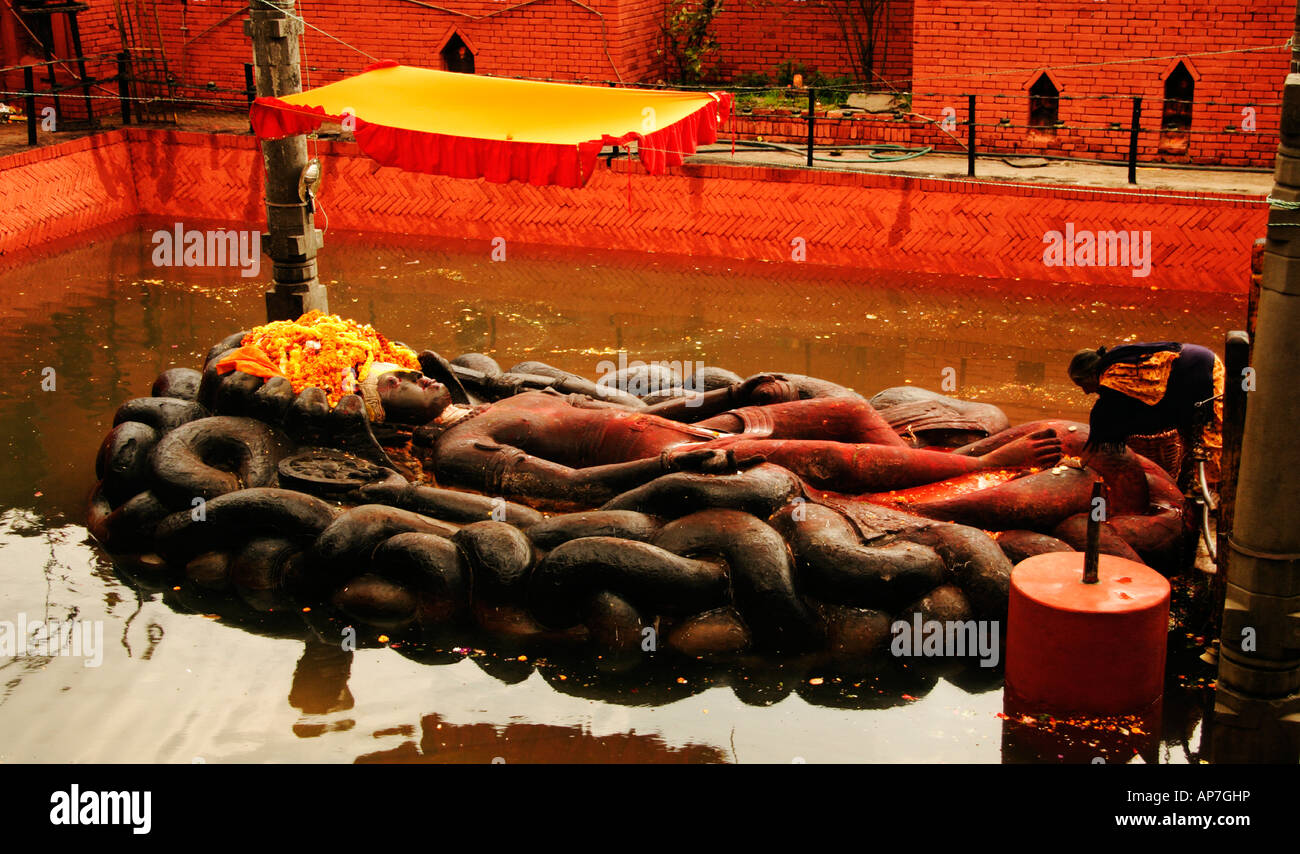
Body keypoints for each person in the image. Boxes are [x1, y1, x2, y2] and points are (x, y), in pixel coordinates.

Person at [368, 368, 1063, 508]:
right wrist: (678, 465)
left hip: (688, 428)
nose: (412, 376)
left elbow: (606, 401)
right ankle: (978, 466)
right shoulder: (460, 451)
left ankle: (936, 463)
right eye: (393, 384)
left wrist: (732, 399)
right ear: (389, 418)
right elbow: (571, 486)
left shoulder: (502, 395)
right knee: (818, 458)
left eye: (409, 371)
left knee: (847, 410)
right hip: (667, 457)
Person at [1067, 341, 1224, 491]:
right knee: (1192, 442)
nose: (1086, 392)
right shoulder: (1111, 365)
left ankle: (1214, 495)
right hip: (1194, 368)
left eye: (1083, 386)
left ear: (1092, 374)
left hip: (1204, 372)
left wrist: (1081, 462)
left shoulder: (1113, 380)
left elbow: (1102, 420)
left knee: (1208, 443)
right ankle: (1193, 487)